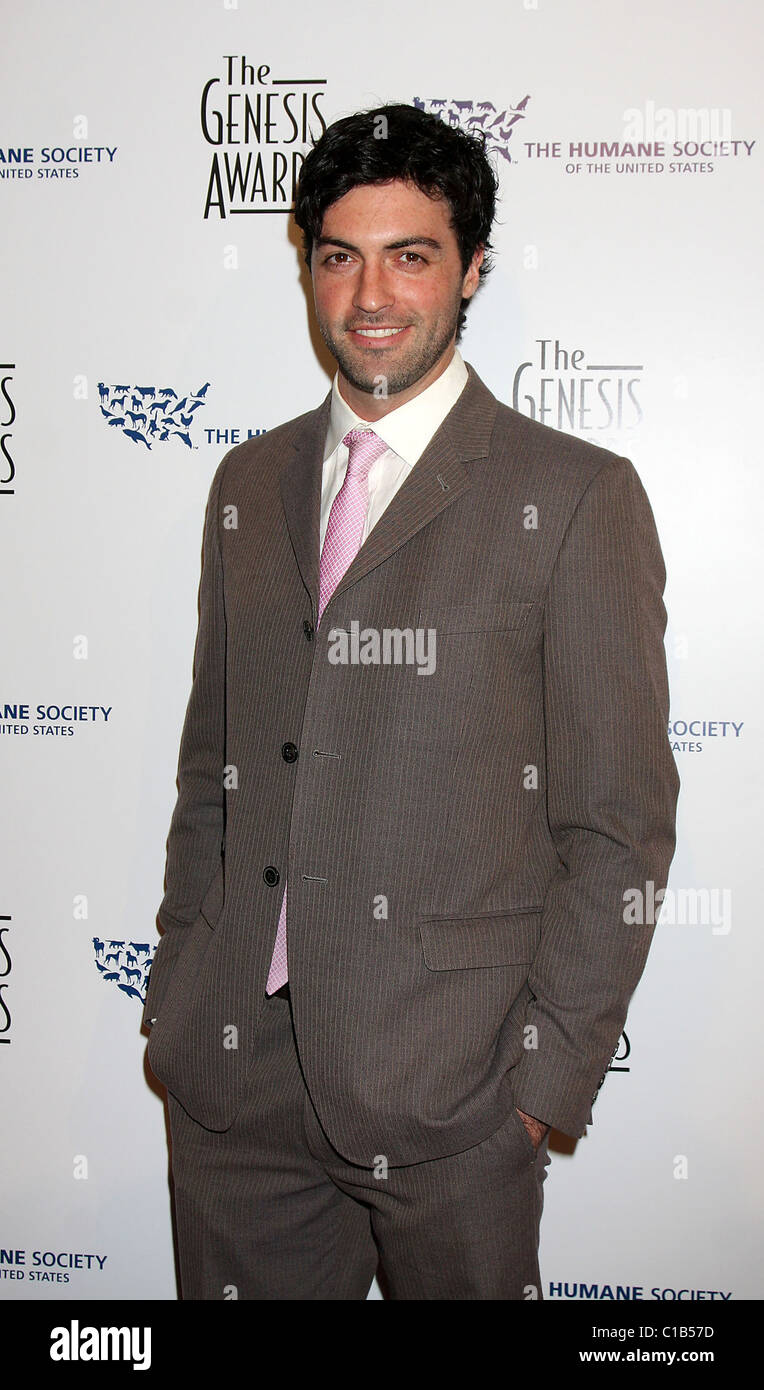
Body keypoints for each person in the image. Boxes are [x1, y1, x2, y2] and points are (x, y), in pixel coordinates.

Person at [143, 103, 679, 1300]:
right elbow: (210, 767)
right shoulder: (250, 478)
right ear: (305, 264)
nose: (369, 293)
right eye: (338, 255)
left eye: (410, 254)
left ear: (471, 267)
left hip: (453, 1095)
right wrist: (183, 978)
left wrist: (539, 1090)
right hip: (237, 1086)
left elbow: (618, 822)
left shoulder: (574, 495)